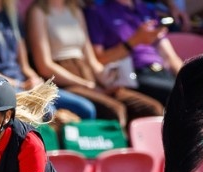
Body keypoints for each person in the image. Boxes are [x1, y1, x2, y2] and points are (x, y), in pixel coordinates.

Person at [26, 0, 163, 127]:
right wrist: (83, 83)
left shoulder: (75, 10)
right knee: (115, 110)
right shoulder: (38, 11)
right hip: (63, 81)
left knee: (151, 108)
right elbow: (45, 66)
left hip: (88, 76)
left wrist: (106, 77)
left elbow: (90, 60)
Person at [0, 0, 97, 120]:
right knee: (48, 112)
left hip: (23, 84)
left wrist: (36, 81)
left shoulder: (12, 14)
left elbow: (24, 66)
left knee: (86, 109)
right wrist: (19, 84)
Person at [85, 0, 186, 106]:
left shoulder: (146, 9)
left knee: (192, 90)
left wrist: (188, 76)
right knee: (180, 95)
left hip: (161, 73)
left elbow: (170, 56)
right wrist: (134, 41)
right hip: (132, 75)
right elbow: (100, 59)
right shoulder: (97, 11)